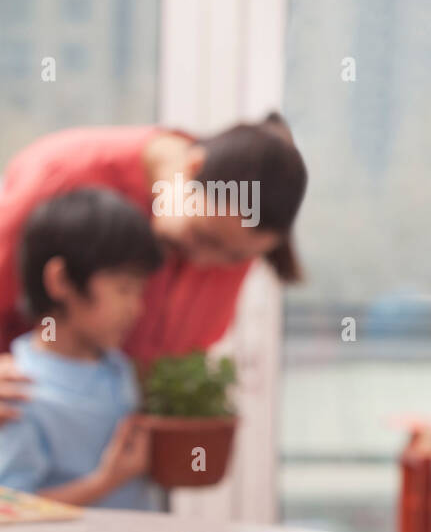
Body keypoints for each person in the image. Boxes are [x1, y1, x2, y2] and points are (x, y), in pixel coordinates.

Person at [0, 113, 308, 420]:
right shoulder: (62, 175)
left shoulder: (237, 229)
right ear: (191, 169)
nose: (207, 263)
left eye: (235, 258)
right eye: (203, 238)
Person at [0, 189, 164, 507]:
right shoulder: (19, 392)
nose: (136, 308)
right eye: (123, 288)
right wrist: (104, 482)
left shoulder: (119, 368)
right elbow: (11, 510)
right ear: (61, 281)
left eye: (139, 290)